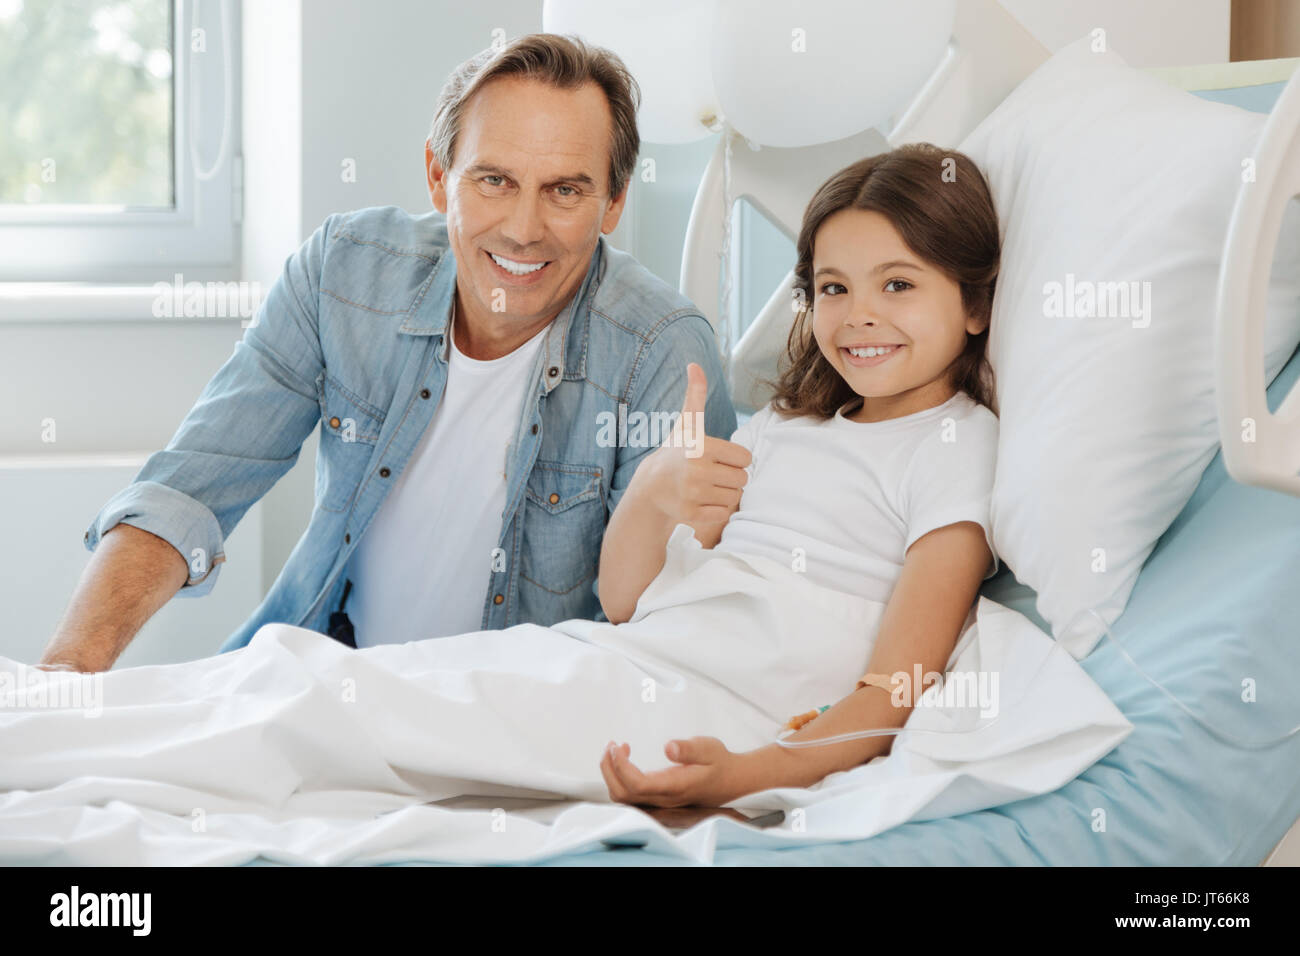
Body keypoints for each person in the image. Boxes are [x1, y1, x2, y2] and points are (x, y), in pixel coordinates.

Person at [5, 144, 1003, 812]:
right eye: (833, 287)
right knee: (301, 675)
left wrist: (741, 772)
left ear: (973, 304)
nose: (858, 315)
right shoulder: (798, 427)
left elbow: (891, 689)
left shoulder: (952, 453)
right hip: (612, 658)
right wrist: (659, 490)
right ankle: (37, 725)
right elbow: (626, 598)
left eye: (898, 284)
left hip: (695, 714)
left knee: (316, 704)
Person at [36, 33, 736, 673]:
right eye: (494, 180)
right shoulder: (345, 273)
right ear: (438, 177)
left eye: (565, 191)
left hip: (518, 725)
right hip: (328, 675)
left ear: (613, 202)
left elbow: (662, 630)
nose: (524, 230)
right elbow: (191, 490)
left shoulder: (664, 352)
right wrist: (71, 670)